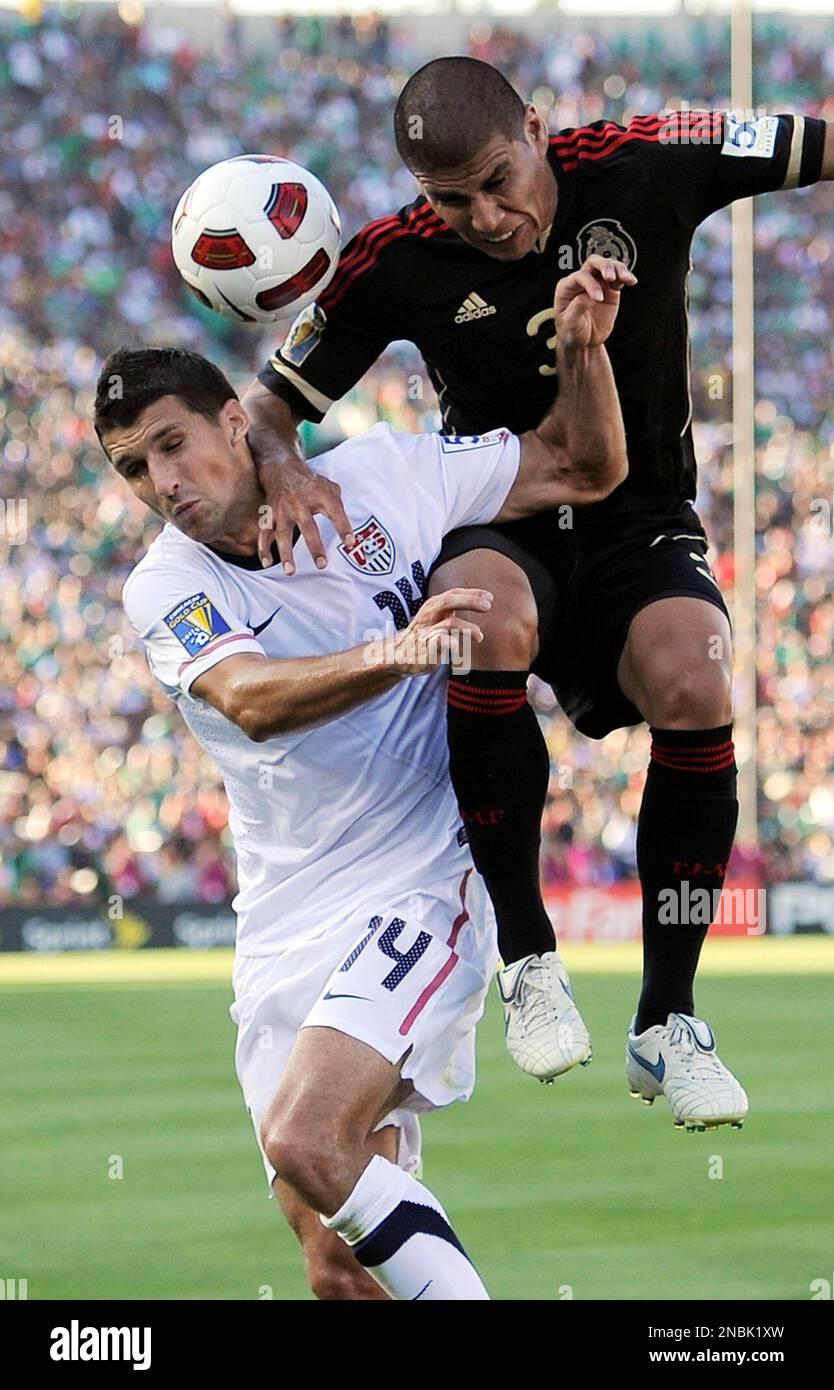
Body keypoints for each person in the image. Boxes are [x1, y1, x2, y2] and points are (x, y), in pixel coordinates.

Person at [241, 57, 831, 1118]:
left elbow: (816, 139)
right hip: (502, 508)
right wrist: (282, 459)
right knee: (475, 620)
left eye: (497, 178)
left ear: (539, 128)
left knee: (699, 681)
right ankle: (528, 955)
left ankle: (668, 1020)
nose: (484, 214)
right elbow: (272, 405)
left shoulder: (648, 162)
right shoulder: (396, 259)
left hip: (641, 516)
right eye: (449, 198)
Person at [97, 259, 630, 1300]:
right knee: (333, 1259)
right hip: (286, 913)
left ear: (236, 422)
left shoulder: (387, 474)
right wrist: (399, 652)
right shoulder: (166, 582)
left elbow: (580, 465)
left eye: (172, 443)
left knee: (309, 1131)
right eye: (132, 467)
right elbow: (248, 695)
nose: (161, 481)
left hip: (422, 876)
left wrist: (585, 347)